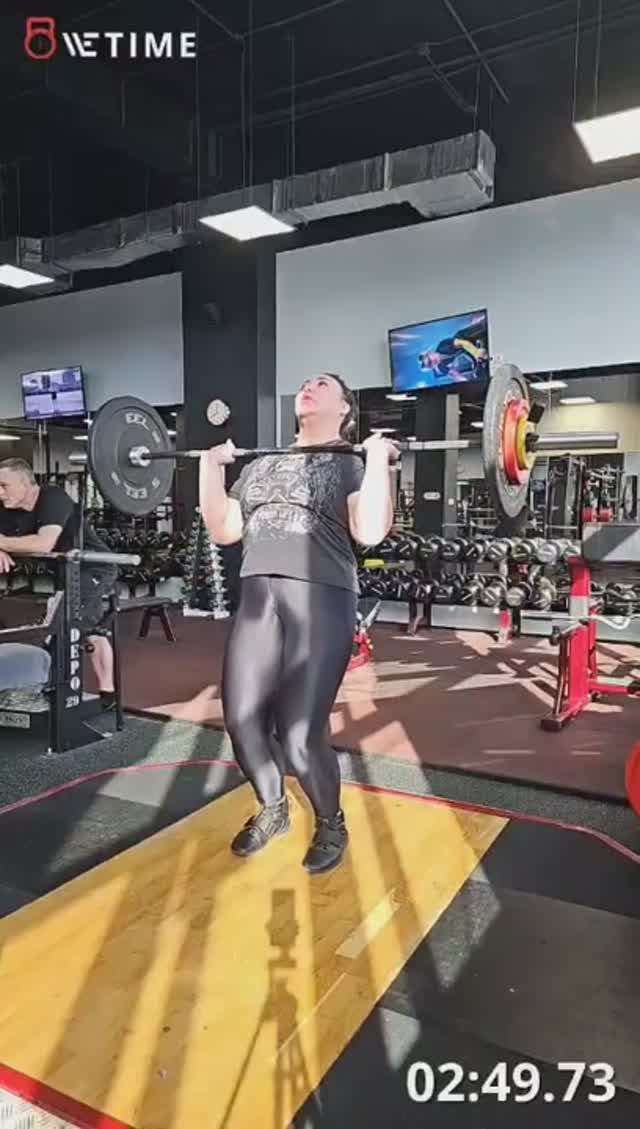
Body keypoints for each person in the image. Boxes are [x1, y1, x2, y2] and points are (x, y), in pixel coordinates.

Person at [199, 373, 396, 874]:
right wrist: (209, 468)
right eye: (306, 382)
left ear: (345, 410)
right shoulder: (263, 463)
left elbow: (371, 530)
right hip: (257, 596)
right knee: (241, 718)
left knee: (300, 732)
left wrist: (377, 462)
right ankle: (274, 808)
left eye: (323, 384)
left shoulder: (351, 462)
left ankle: (330, 822)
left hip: (322, 597)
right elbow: (225, 528)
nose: (310, 387)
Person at [0, 459, 117, 708]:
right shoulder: (7, 508)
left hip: (94, 567)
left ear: (26, 484)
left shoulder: (53, 497)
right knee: (89, 629)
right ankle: (107, 694)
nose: (0, 492)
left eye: (4, 485)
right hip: (66, 570)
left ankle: (51, 690)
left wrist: (2, 543)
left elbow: (44, 544)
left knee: (64, 626)